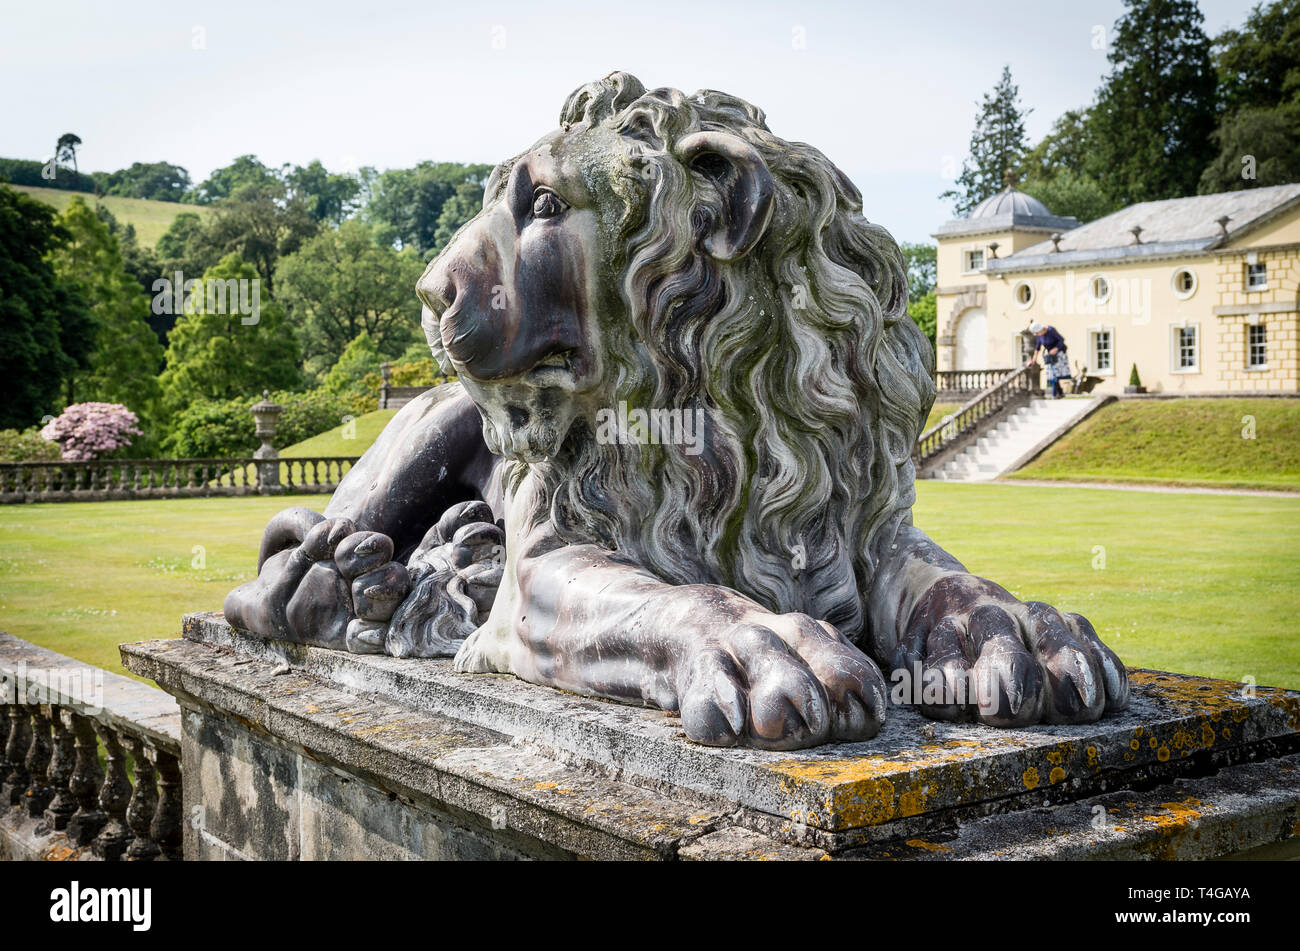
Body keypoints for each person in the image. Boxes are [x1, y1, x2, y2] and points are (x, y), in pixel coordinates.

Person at [1026, 320, 1071, 398]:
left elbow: (1061, 340)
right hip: (1050, 354)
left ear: (1040, 329)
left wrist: (1056, 349)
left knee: (1057, 373)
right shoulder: (1039, 336)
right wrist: (1033, 359)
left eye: (1037, 333)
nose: (1036, 335)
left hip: (1060, 352)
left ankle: (1057, 393)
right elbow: (1037, 347)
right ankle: (1059, 393)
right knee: (1051, 373)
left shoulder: (1050, 330)